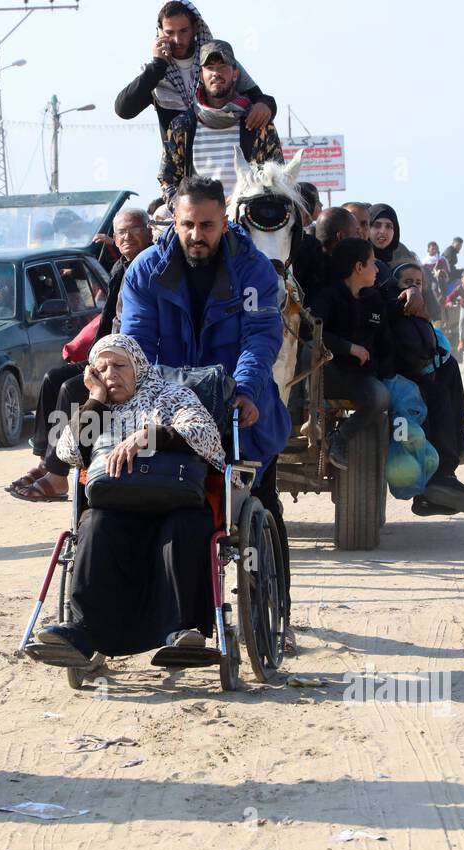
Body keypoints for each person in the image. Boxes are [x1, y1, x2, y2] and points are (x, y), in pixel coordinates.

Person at [121, 175, 293, 625]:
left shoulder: (252, 270)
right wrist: (145, 401)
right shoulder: (145, 272)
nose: (197, 235)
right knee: (164, 497)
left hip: (239, 404)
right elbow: (137, 344)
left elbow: (261, 336)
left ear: (225, 222)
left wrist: (246, 389)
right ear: (173, 222)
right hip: (172, 407)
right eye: (188, 224)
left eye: (208, 226)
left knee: (260, 501)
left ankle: (276, 612)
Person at [24, 334, 227, 664]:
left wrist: (149, 436)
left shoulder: (171, 395)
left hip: (174, 501)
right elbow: (67, 453)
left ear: (139, 368)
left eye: (119, 366)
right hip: (118, 505)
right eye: (102, 369)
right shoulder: (99, 408)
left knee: (184, 527)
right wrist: (96, 399)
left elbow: (204, 434)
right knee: (95, 524)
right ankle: (82, 631)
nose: (111, 374)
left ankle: (182, 632)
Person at [10, 208, 153, 502]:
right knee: (52, 379)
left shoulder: (151, 267)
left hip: (133, 361)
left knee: (71, 389)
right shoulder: (121, 267)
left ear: (149, 232)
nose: (127, 237)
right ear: (114, 238)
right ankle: (45, 460)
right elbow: (106, 321)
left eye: (134, 230)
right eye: (121, 232)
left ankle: (59, 474)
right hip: (107, 353)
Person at [390, 263, 464, 514]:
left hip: (415, 367)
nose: (413, 286)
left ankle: (450, 462)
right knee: (433, 395)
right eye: (407, 282)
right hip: (391, 371)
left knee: (449, 368)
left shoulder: (417, 308)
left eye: (418, 283)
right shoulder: (388, 302)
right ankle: (441, 476)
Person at [115, 1, 276, 141]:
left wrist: (265, 105)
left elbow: (261, 99)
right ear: (160, 33)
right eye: (170, 33)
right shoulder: (155, 75)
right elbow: (124, 110)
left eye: (183, 31)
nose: (177, 40)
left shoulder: (217, 62)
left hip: (225, 161)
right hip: (180, 169)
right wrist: (157, 67)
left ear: (195, 28)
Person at [157, 41, 283, 206]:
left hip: (247, 220)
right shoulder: (182, 127)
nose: (216, 73)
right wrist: (186, 210)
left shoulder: (259, 124)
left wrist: (245, 200)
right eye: (209, 67)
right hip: (198, 224)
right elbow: (167, 180)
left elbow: (277, 175)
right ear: (201, 76)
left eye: (223, 66)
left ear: (235, 74)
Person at [311, 238, 392, 471]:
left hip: (361, 378)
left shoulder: (374, 300)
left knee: (381, 397)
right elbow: (311, 333)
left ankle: (339, 437)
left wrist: (387, 374)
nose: (377, 270)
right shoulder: (328, 297)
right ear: (358, 267)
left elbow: (385, 343)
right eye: (373, 263)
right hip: (329, 375)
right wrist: (348, 347)